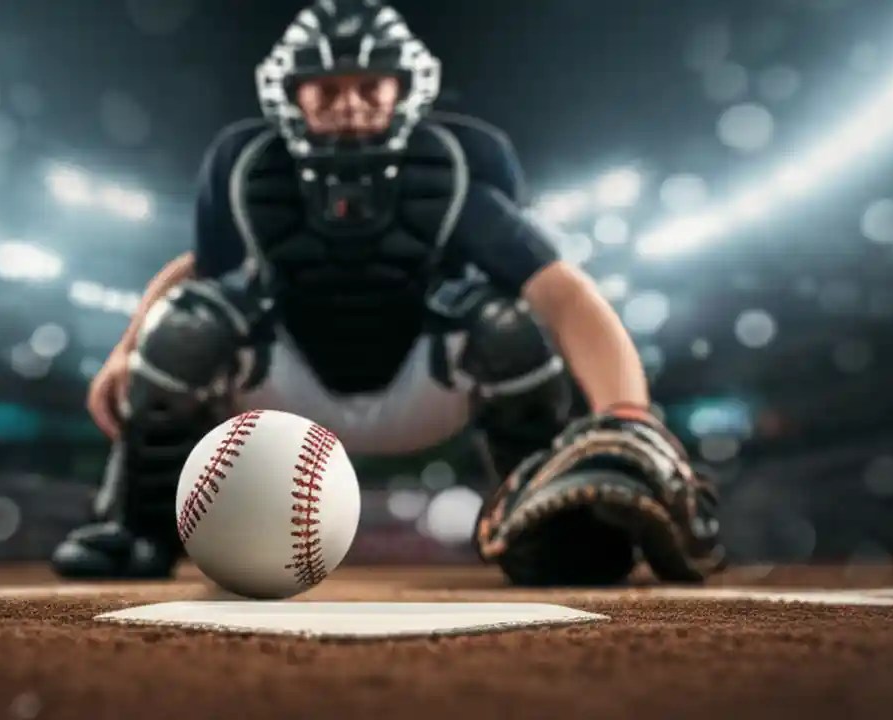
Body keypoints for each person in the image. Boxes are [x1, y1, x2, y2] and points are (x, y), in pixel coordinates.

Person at [51, 0, 724, 586]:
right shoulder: (250, 170)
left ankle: (554, 537)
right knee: (186, 326)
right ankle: (139, 530)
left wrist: (627, 412)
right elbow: (197, 270)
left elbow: (564, 295)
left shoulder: (453, 172)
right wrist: (128, 348)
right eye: (326, 89)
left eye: (369, 86)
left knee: (509, 326)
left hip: (424, 388)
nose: (349, 105)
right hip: (286, 390)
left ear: (405, 89)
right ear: (291, 94)